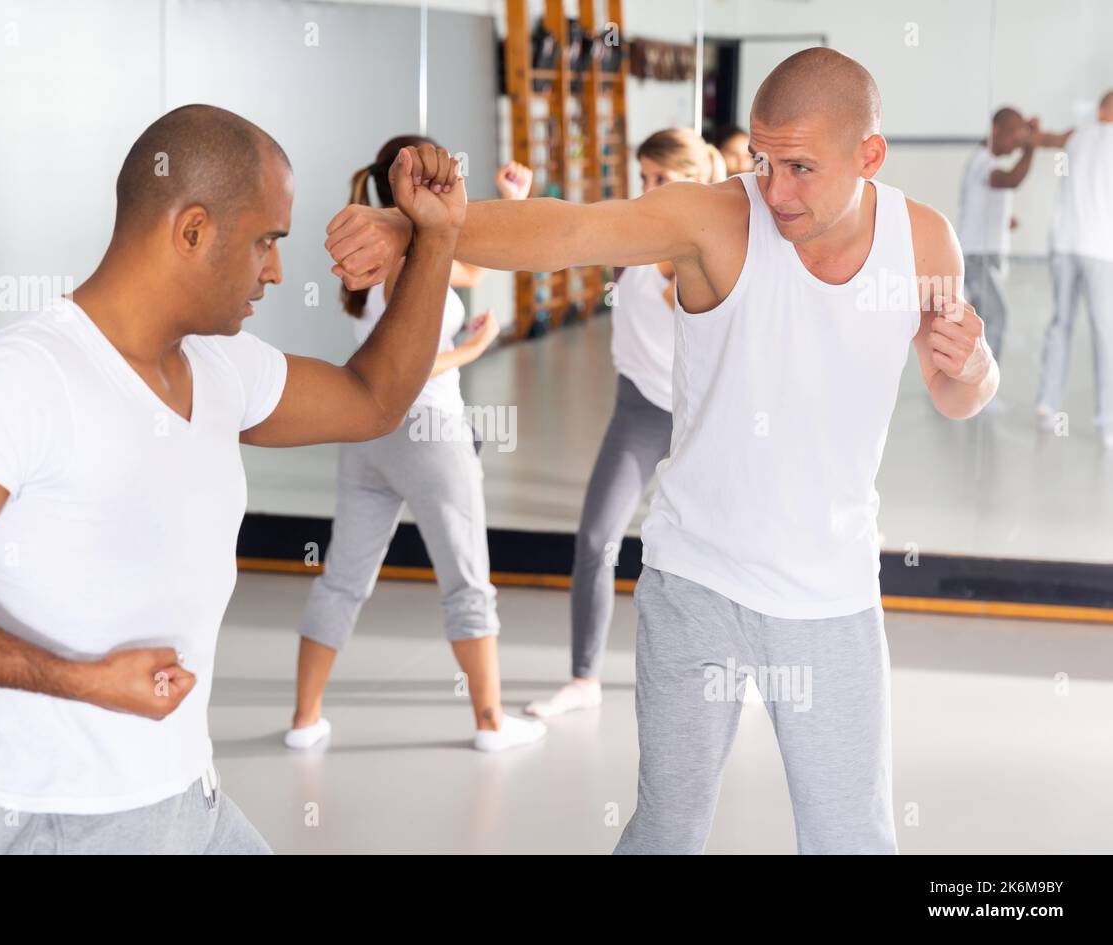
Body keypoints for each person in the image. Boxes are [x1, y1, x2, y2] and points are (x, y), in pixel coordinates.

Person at [326, 48, 999, 854]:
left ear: (870, 155)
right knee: (668, 832)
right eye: (761, 158)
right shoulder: (714, 216)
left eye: (800, 167)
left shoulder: (924, 241)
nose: (774, 190)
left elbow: (955, 391)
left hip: (831, 595)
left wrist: (977, 366)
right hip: (698, 584)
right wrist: (411, 228)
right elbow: (571, 227)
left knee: (852, 836)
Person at [0, 105, 466, 854]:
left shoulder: (221, 367)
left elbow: (375, 399)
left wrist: (439, 236)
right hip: (61, 822)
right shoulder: (25, 378)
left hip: (189, 797)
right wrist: (80, 680)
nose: (277, 270)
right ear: (192, 230)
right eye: (266, 241)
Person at [286, 138, 547, 752]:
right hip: (429, 431)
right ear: (417, 185)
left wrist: (511, 201)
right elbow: (415, 365)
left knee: (343, 580)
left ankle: (305, 721)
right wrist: (474, 351)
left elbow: (477, 266)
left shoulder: (371, 258)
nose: (452, 178)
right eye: (443, 173)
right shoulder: (411, 263)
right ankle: (490, 723)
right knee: (467, 581)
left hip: (366, 436)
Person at [525, 128, 725, 719]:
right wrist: (530, 197)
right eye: (643, 178)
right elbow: (565, 238)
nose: (648, 191)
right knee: (595, 539)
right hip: (637, 410)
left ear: (692, 179)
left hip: (701, 422)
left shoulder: (709, 251)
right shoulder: (634, 239)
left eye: (661, 179)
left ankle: (732, 674)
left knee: (717, 552)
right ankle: (584, 677)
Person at [1031, 91, 1113, 445]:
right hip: (1100, 250)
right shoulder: (1080, 136)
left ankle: (1048, 404)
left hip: (1065, 244)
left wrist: (1031, 131)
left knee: (1061, 323)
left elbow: (1040, 139)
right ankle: (1107, 420)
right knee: (1104, 333)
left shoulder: (1077, 135)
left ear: (1099, 109)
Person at [958, 107, 1038, 363]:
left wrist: (1005, 220)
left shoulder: (988, 163)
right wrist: (1032, 146)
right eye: (1014, 135)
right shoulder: (983, 161)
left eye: (1021, 137)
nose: (1017, 143)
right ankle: (983, 390)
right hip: (977, 257)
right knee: (996, 317)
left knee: (977, 324)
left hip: (986, 254)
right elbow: (1012, 179)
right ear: (996, 130)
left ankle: (966, 388)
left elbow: (992, 194)